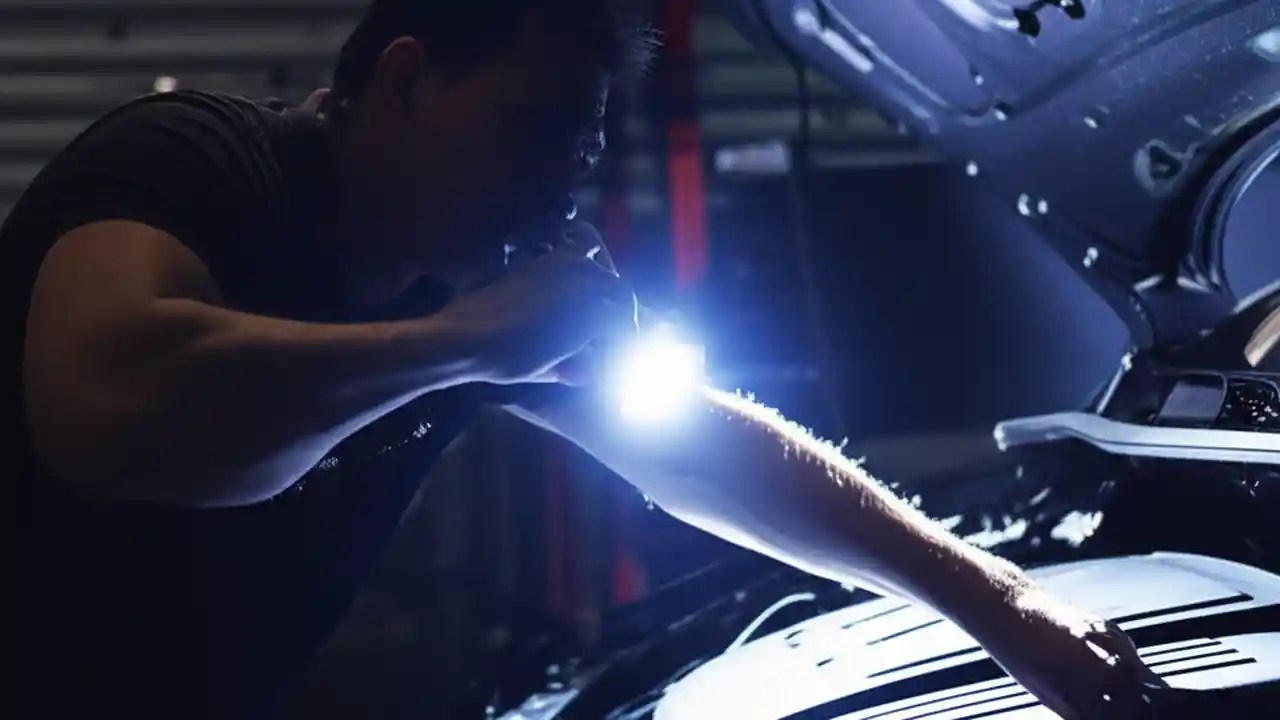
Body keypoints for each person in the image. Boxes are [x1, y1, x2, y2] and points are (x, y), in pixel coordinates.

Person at [11, 1, 1165, 718]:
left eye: (583, 143)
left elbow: (696, 445)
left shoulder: (471, 268)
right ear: (406, 80)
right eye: (533, 129)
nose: (562, 180)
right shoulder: (194, 164)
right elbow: (114, 411)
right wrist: (464, 345)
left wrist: (1001, 602)